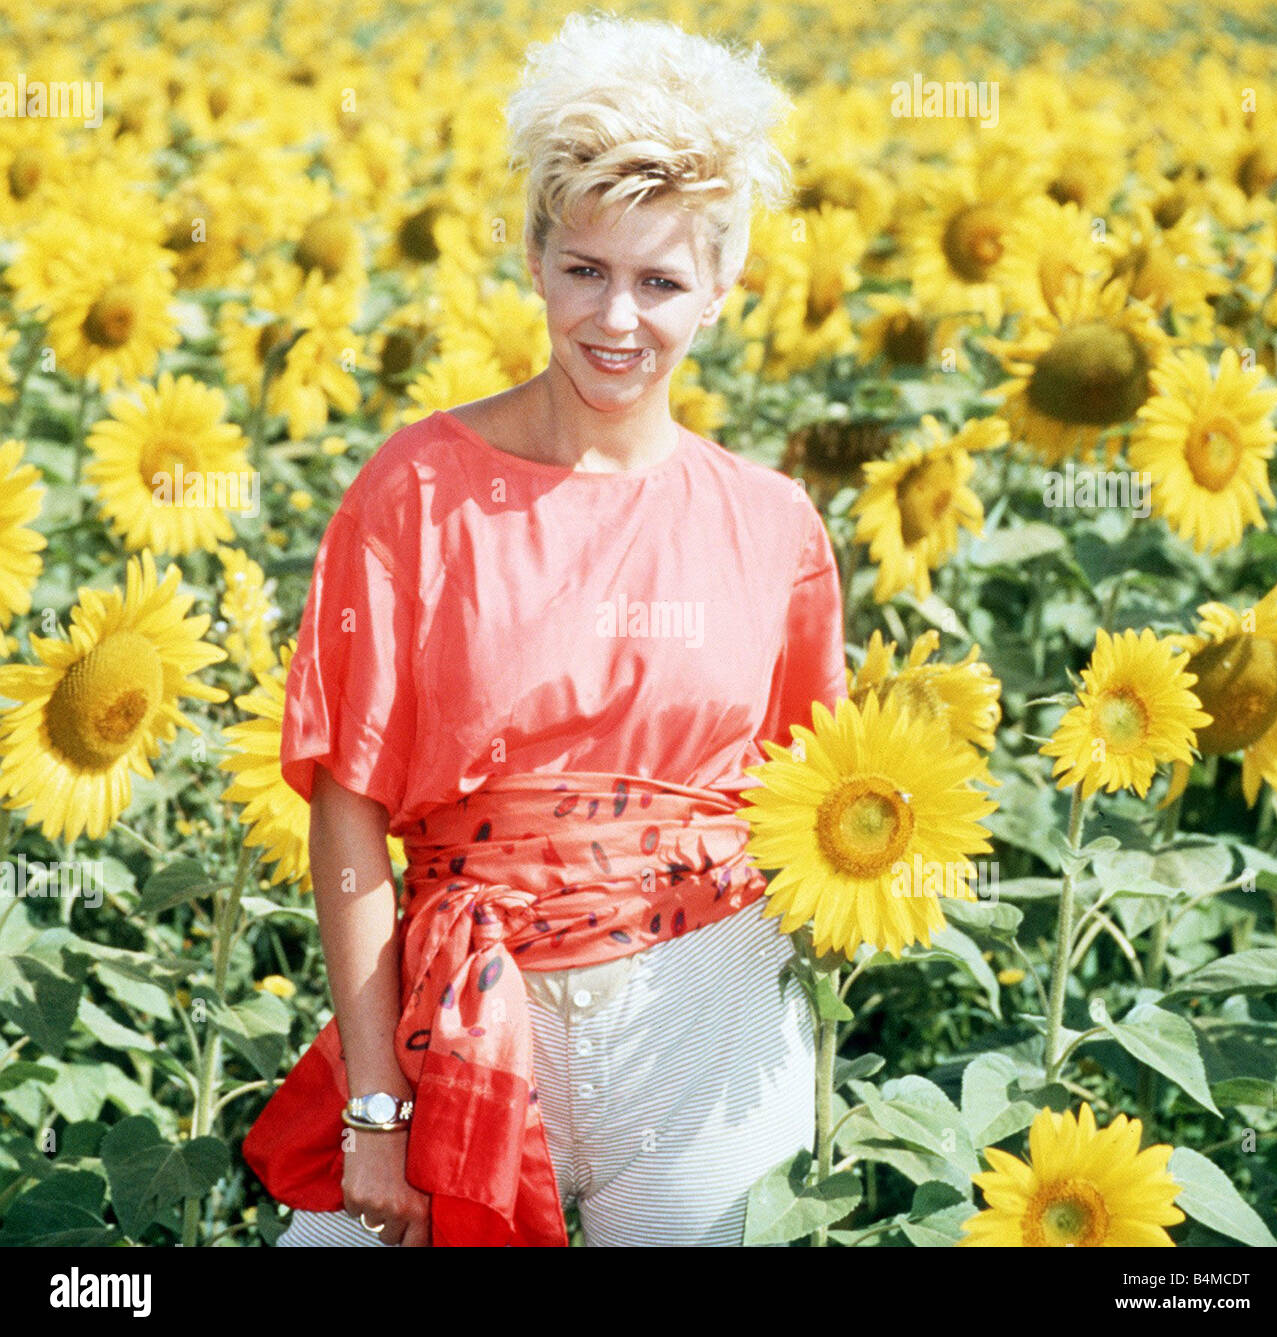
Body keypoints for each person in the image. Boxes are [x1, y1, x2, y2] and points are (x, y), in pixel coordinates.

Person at [242, 10, 848, 1247]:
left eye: (661, 281)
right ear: (533, 257)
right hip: (462, 1006)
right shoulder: (413, 492)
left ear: (722, 290)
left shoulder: (772, 523)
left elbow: (811, 804)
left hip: (707, 1015)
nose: (617, 320)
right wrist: (372, 1103)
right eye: (586, 270)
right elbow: (347, 803)